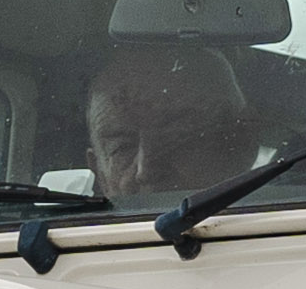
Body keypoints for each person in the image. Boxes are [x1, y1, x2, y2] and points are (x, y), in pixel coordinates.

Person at [82, 34, 264, 215]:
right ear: (99, 172)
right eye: (122, 148)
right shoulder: (63, 238)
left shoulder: (288, 226)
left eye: (175, 137)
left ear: (243, 144)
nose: (146, 170)